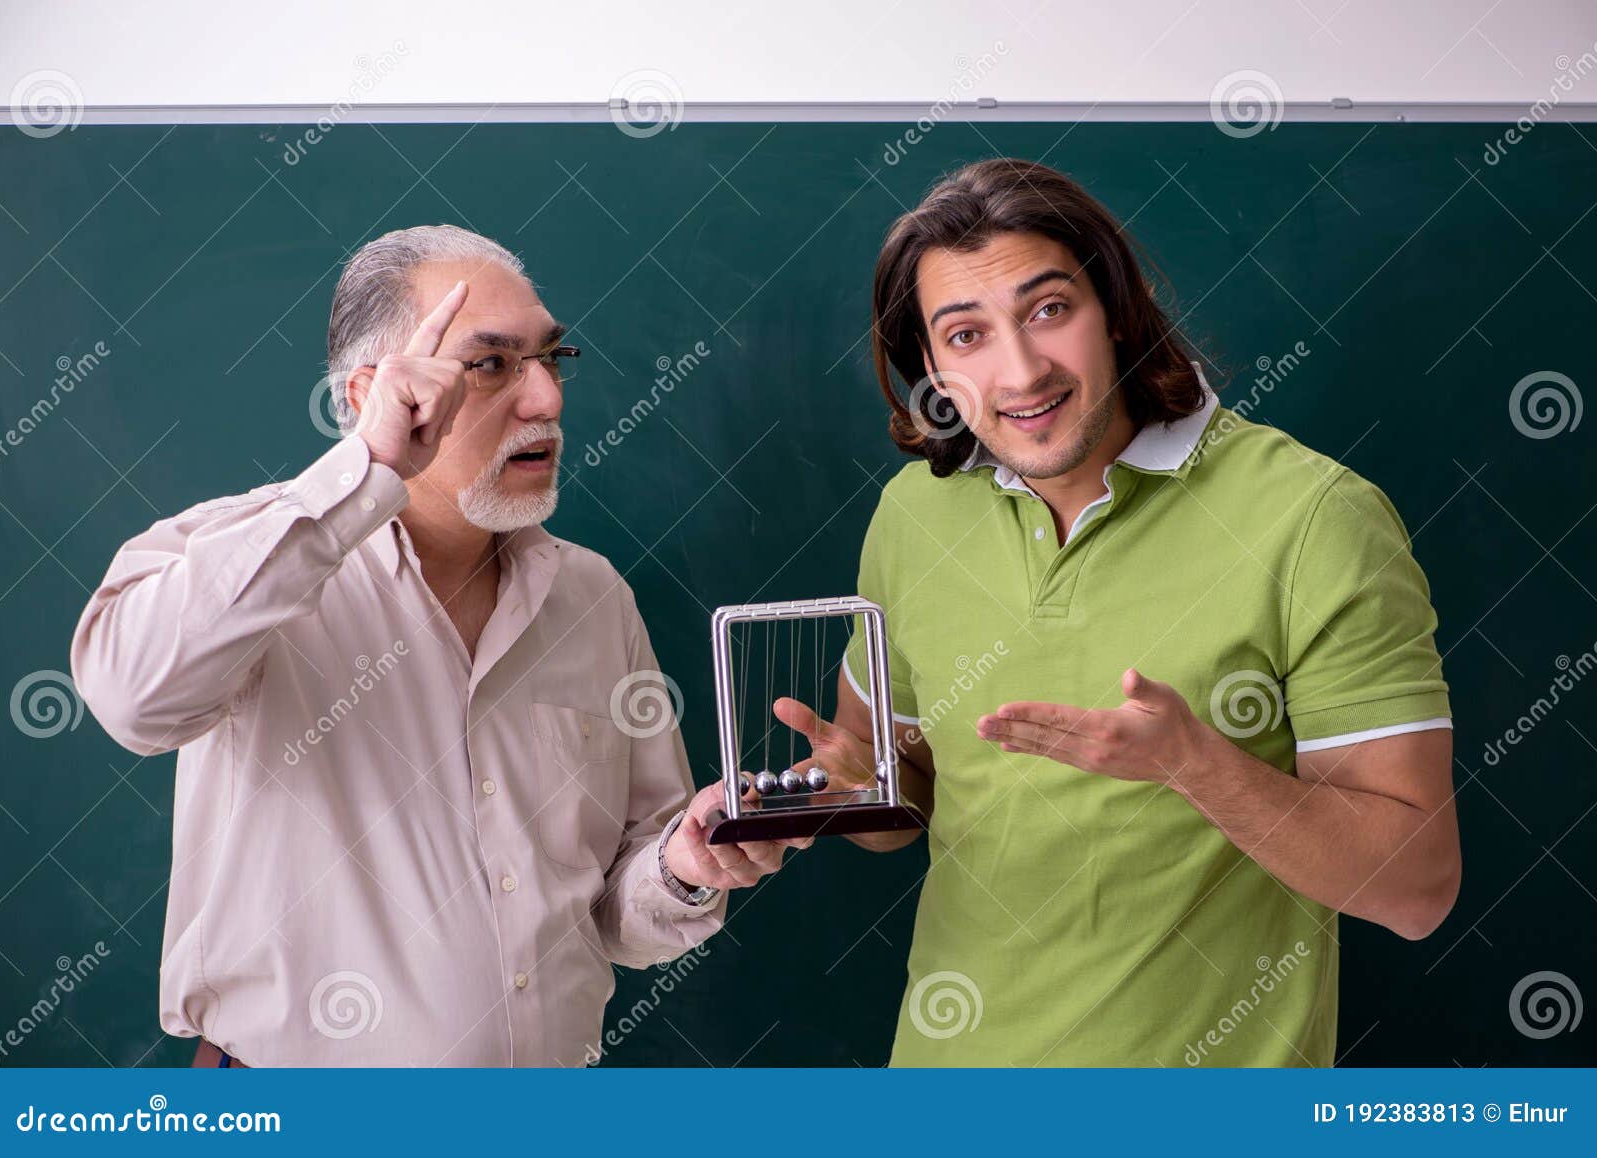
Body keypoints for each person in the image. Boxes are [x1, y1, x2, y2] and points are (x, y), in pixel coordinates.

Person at [775, 159, 1460, 1066]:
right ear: (932, 369)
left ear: (1118, 310)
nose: (1021, 371)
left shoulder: (1314, 516)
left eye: (1048, 310)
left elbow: (1416, 889)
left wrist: (1192, 764)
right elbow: (908, 798)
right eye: (967, 335)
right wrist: (851, 789)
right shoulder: (913, 517)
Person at [71, 225, 802, 1067]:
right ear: (370, 394)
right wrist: (367, 467)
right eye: (490, 364)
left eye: (551, 359)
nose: (546, 400)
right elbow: (132, 700)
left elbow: (611, 914)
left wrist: (682, 866)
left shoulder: (592, 599)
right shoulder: (247, 557)